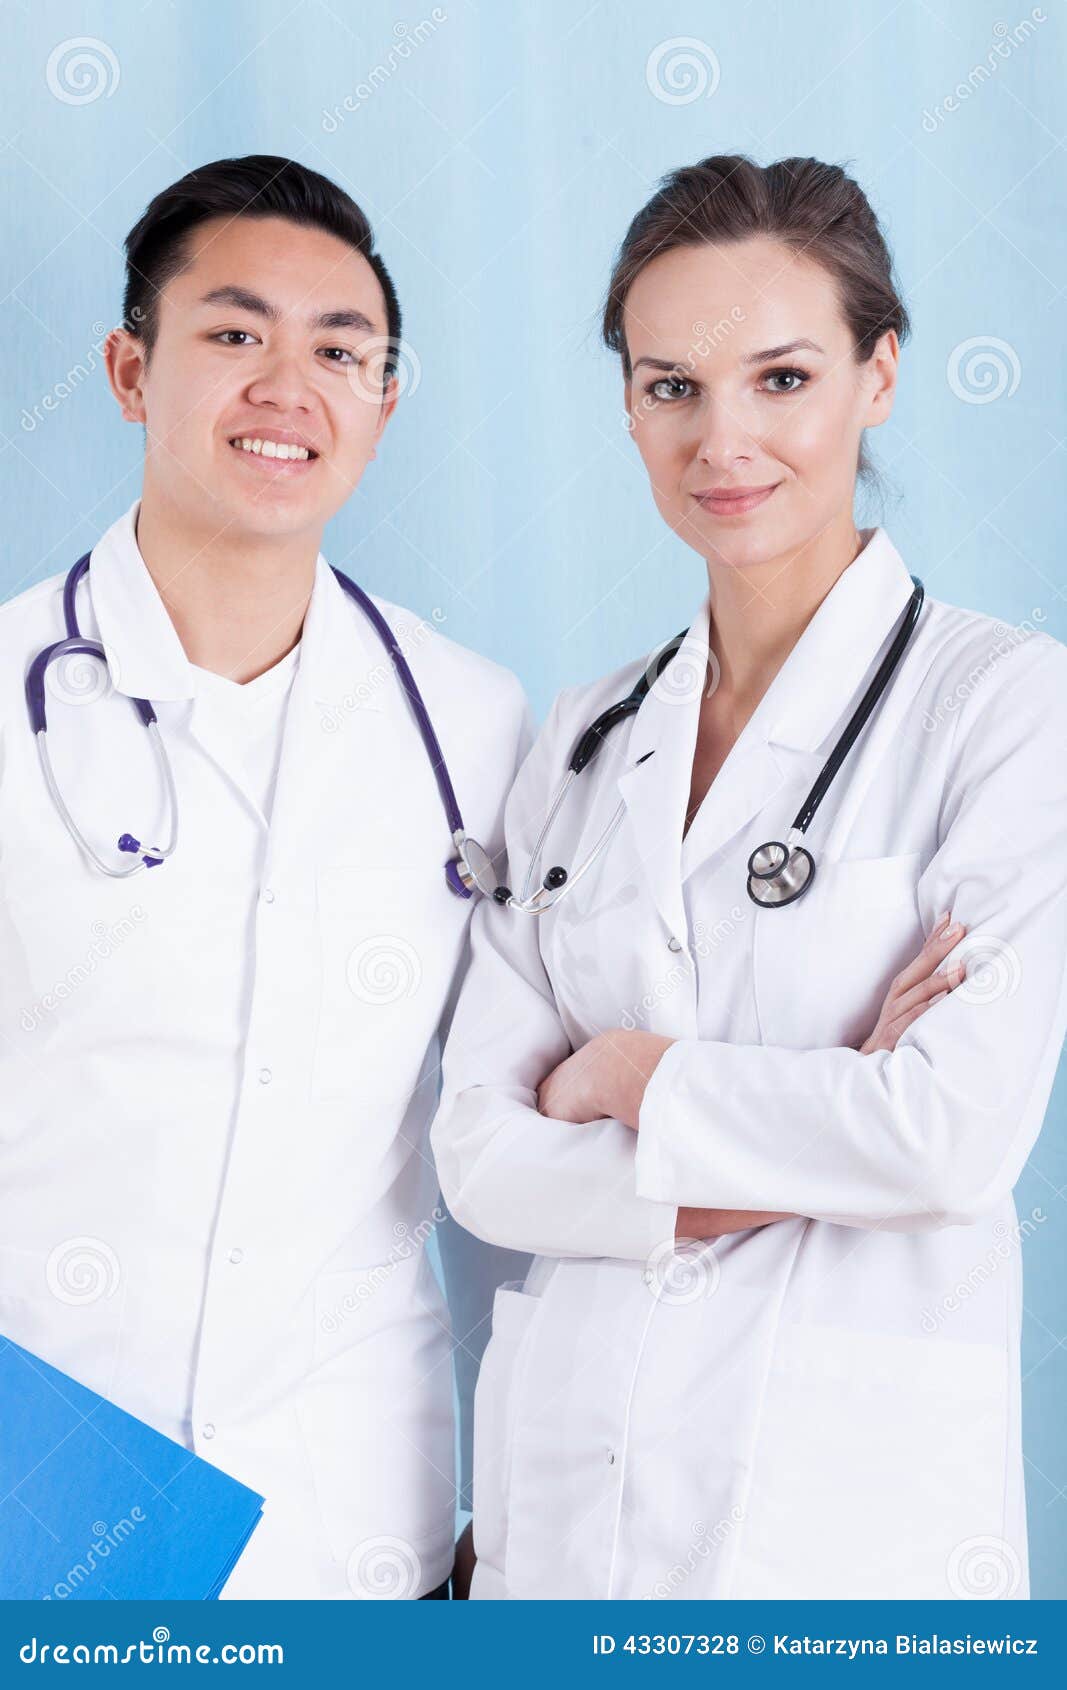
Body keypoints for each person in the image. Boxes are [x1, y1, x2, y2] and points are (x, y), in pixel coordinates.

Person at [431, 154, 1067, 1600]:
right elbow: (478, 1156)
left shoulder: (1007, 705)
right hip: (559, 1523)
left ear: (880, 372)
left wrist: (633, 1073)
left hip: (839, 1534)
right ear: (631, 403)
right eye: (672, 387)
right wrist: (812, 1121)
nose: (723, 439)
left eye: (782, 377)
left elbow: (946, 1138)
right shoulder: (584, 732)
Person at [0, 155, 529, 1599]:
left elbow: (497, 1157)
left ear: (384, 401)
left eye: (340, 350)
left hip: (360, 1528)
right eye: (234, 335)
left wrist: (530, 1496)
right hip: (40, 1531)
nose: (289, 387)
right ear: (130, 368)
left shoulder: (476, 725)